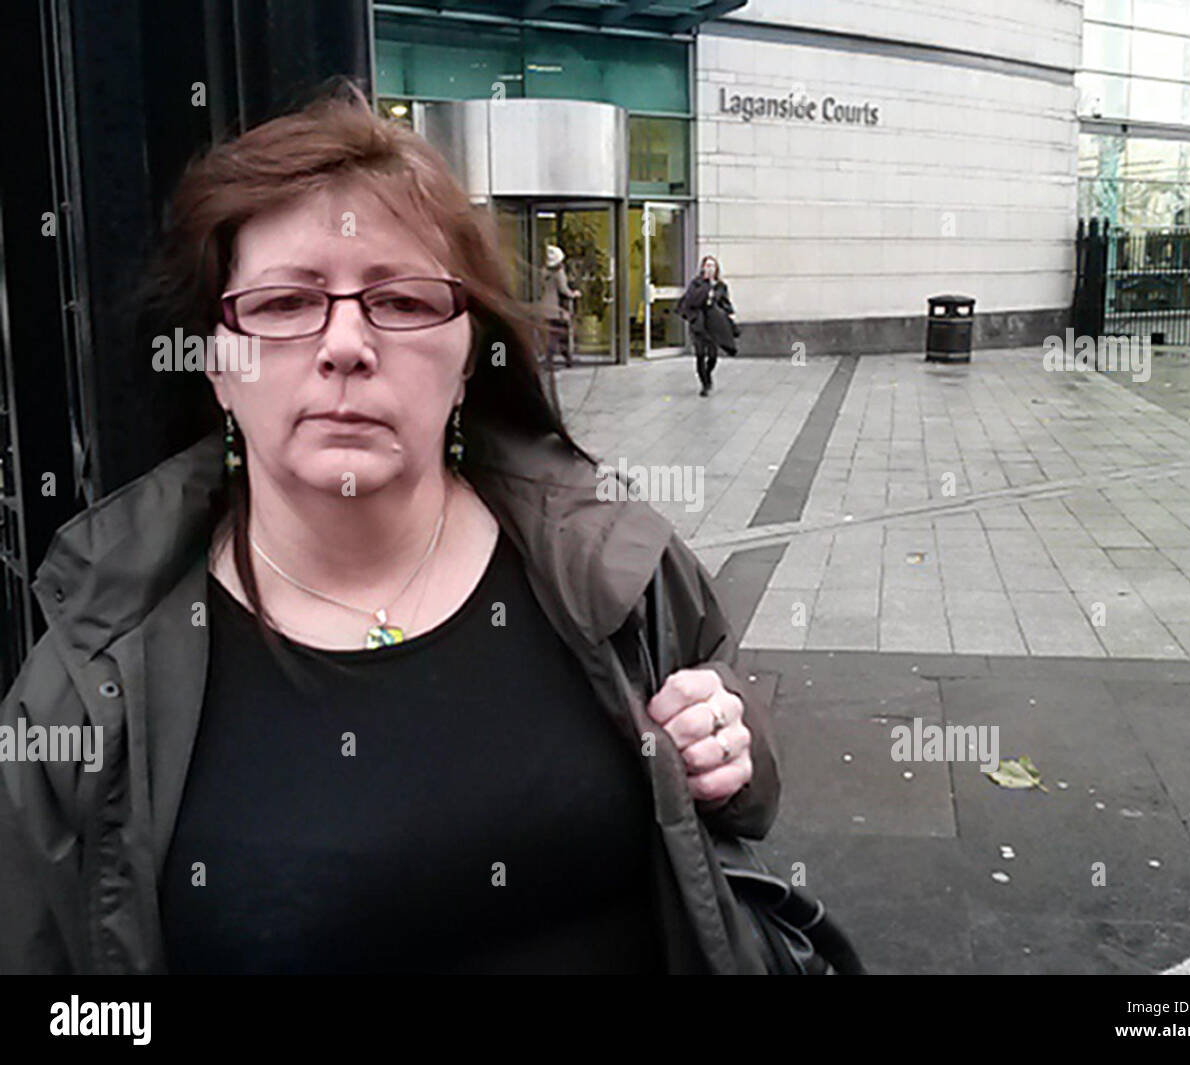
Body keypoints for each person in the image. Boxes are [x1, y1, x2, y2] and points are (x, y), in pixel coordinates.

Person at [0, 84, 779, 975]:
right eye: (286, 303)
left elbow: (740, 792)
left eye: (401, 301)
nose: (344, 344)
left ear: (464, 358)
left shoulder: (610, 567)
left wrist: (730, 747)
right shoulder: (92, 682)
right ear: (218, 364)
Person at [674, 255, 738, 397]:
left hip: (713, 325)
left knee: (713, 355)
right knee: (700, 354)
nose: (710, 268)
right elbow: (692, 301)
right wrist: (706, 287)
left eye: (712, 266)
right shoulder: (696, 284)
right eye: (707, 265)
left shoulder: (721, 286)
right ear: (702, 268)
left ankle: (708, 372)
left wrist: (730, 313)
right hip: (698, 323)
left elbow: (724, 302)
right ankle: (705, 384)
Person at [539, 244, 579, 368]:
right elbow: (563, 289)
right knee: (562, 334)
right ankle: (566, 358)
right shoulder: (559, 272)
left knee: (552, 333)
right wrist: (574, 294)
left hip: (546, 306)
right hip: (558, 308)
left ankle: (556, 358)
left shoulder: (544, 271)